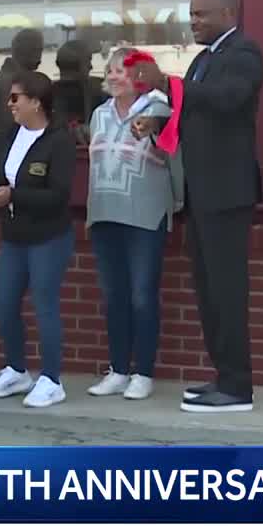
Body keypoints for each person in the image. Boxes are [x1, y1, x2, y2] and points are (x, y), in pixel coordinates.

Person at [134, 0, 263, 413]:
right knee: (209, 292)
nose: (194, 22)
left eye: (202, 14)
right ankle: (223, 378)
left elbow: (228, 100)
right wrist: (156, 120)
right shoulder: (205, 59)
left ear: (228, 13)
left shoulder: (244, 54)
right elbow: (191, 112)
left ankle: (237, 387)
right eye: (191, 14)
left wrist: (167, 84)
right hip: (201, 193)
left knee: (226, 292)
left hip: (227, 194)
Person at [84, 47, 180, 402]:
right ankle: (118, 369)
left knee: (142, 297)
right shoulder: (98, 115)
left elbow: (172, 154)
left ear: (138, 76)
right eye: (108, 71)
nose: (112, 77)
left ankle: (144, 372)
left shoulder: (156, 111)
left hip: (145, 215)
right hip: (105, 215)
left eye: (120, 71)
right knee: (113, 298)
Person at [0, 70, 76, 407]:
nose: (10, 105)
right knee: (5, 303)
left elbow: (58, 194)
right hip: (14, 237)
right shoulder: (9, 135)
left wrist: (15, 196)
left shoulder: (59, 141)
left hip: (48, 237)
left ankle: (52, 379)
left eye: (15, 98)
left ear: (36, 103)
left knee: (44, 304)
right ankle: (17, 370)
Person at [0, 28, 45, 139]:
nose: (40, 57)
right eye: (38, 50)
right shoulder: (15, 83)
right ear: (27, 51)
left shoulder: (4, 77)